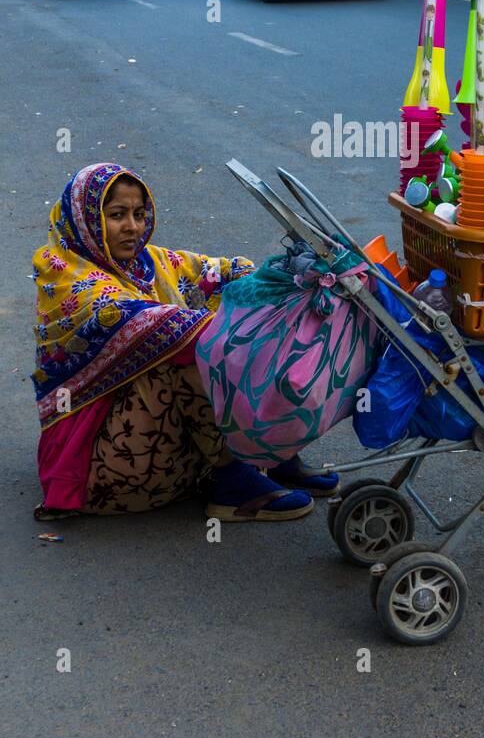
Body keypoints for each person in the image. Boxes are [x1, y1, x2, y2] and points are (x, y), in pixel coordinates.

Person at [32, 163, 338, 523]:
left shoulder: (144, 263)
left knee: (224, 320)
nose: (132, 227)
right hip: (100, 465)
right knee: (178, 344)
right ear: (84, 221)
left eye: (139, 214)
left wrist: (279, 279)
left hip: (150, 440)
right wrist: (240, 330)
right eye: (116, 215)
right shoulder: (69, 278)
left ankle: (270, 456)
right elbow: (147, 321)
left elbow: (217, 273)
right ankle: (230, 481)